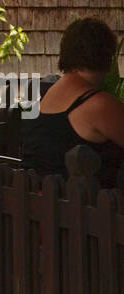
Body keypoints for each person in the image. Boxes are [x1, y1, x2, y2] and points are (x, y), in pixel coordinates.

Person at [21, 18, 124, 187]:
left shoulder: (47, 98)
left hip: (38, 206)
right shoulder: (100, 105)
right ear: (107, 56)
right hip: (87, 209)